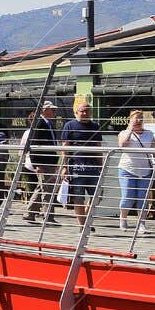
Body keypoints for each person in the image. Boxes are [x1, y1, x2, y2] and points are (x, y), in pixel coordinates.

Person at [58, 96, 103, 230]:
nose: (85, 113)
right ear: (76, 112)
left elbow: (98, 147)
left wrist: (101, 165)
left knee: (97, 196)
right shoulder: (69, 125)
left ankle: (85, 220)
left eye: (87, 111)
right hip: (76, 167)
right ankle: (83, 225)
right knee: (78, 197)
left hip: (93, 167)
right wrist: (64, 167)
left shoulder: (95, 126)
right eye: (82, 111)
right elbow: (65, 147)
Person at [117, 109, 155, 234]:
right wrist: (130, 128)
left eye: (140, 118)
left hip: (145, 170)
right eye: (136, 118)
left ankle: (141, 224)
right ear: (130, 119)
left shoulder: (149, 133)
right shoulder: (123, 132)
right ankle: (123, 219)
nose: (138, 121)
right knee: (127, 197)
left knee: (143, 199)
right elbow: (122, 145)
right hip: (127, 169)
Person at [20, 101, 61, 225]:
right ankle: (48, 216)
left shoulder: (48, 123)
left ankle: (30, 213)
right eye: (51, 109)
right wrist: (37, 164)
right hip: (43, 162)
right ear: (44, 110)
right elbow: (34, 144)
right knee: (47, 189)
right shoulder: (39, 123)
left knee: (42, 187)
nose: (54, 112)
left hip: (49, 161)